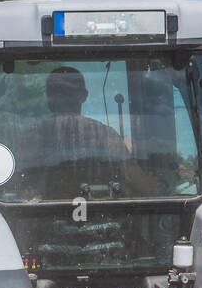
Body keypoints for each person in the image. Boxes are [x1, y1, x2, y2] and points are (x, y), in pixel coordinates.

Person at [18, 66, 138, 199]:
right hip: (101, 214)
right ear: (83, 96)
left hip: (43, 216)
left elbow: (18, 188)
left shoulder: (31, 135)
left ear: (48, 97)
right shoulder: (107, 135)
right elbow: (138, 182)